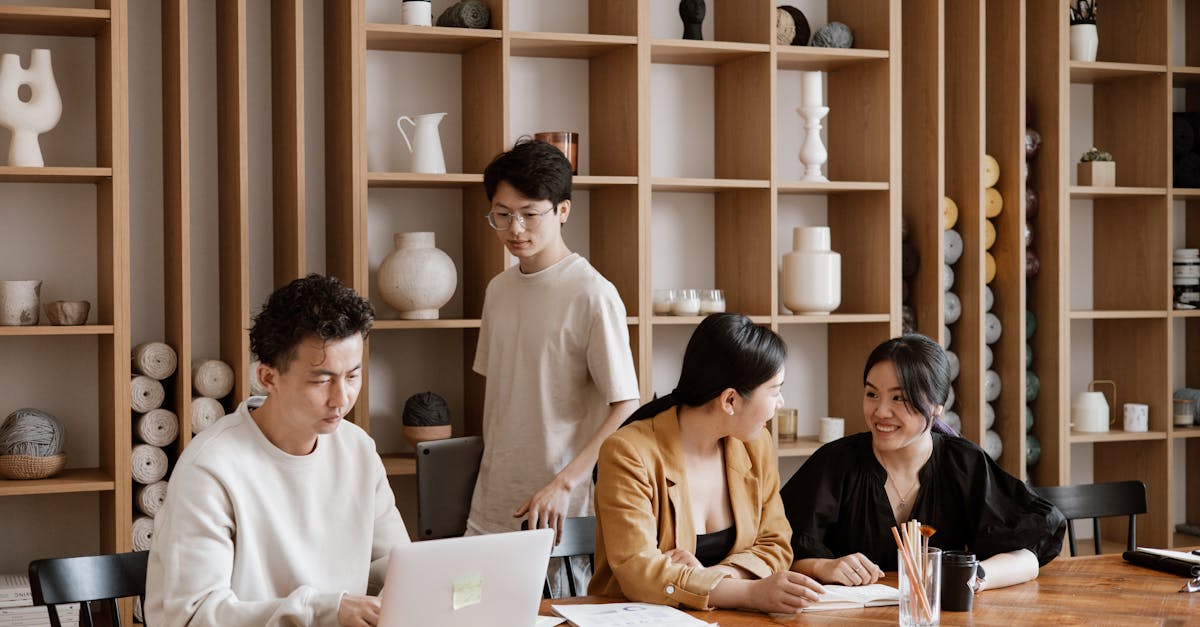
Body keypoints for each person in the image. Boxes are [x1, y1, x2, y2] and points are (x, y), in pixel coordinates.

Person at [145, 274, 409, 627]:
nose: (341, 398)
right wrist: (326, 611)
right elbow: (192, 617)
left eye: (352, 376)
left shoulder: (357, 449)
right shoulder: (210, 468)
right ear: (268, 378)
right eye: (321, 380)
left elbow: (397, 565)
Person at [466, 139, 641, 594]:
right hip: (491, 503)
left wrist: (564, 483)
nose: (514, 228)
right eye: (501, 214)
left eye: (529, 213)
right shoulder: (498, 290)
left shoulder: (592, 294)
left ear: (563, 210)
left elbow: (626, 405)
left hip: (559, 513)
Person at [781, 334, 1065, 591]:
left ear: (937, 407)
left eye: (899, 398)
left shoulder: (963, 463)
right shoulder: (835, 462)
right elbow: (774, 549)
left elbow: (1029, 555)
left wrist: (973, 576)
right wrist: (822, 566)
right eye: (872, 394)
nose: (880, 411)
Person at [589, 314, 826, 613]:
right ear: (729, 401)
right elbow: (639, 572)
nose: (780, 404)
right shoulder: (628, 452)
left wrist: (715, 578)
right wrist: (749, 592)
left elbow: (776, 544)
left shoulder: (755, 445)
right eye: (775, 391)